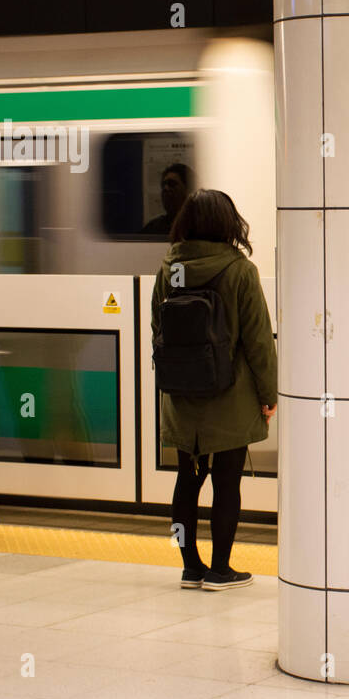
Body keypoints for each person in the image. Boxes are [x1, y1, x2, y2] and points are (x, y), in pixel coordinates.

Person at [151, 189, 277, 590]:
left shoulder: (169, 268)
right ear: (228, 223)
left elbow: (158, 329)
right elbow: (258, 342)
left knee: (186, 482)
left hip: (182, 393)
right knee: (227, 483)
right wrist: (268, 394)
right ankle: (220, 569)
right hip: (230, 396)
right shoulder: (240, 270)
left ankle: (191, 567)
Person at [141, 163, 193, 235]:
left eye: (172, 184)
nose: (165, 188)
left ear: (188, 189)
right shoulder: (154, 228)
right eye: (163, 185)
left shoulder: (200, 225)